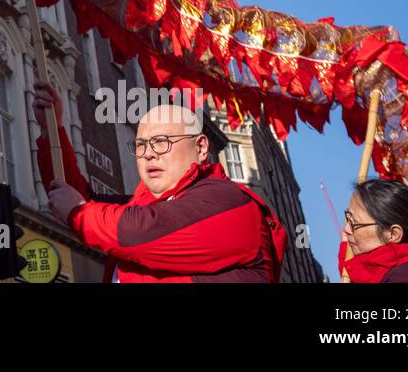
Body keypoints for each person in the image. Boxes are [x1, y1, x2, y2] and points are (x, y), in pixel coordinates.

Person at [32, 80, 286, 282]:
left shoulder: (230, 202)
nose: (149, 153)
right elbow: (75, 197)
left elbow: (139, 232)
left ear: (200, 147)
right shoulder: (140, 209)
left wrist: (77, 211)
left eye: (162, 142)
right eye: (141, 145)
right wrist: (52, 130)